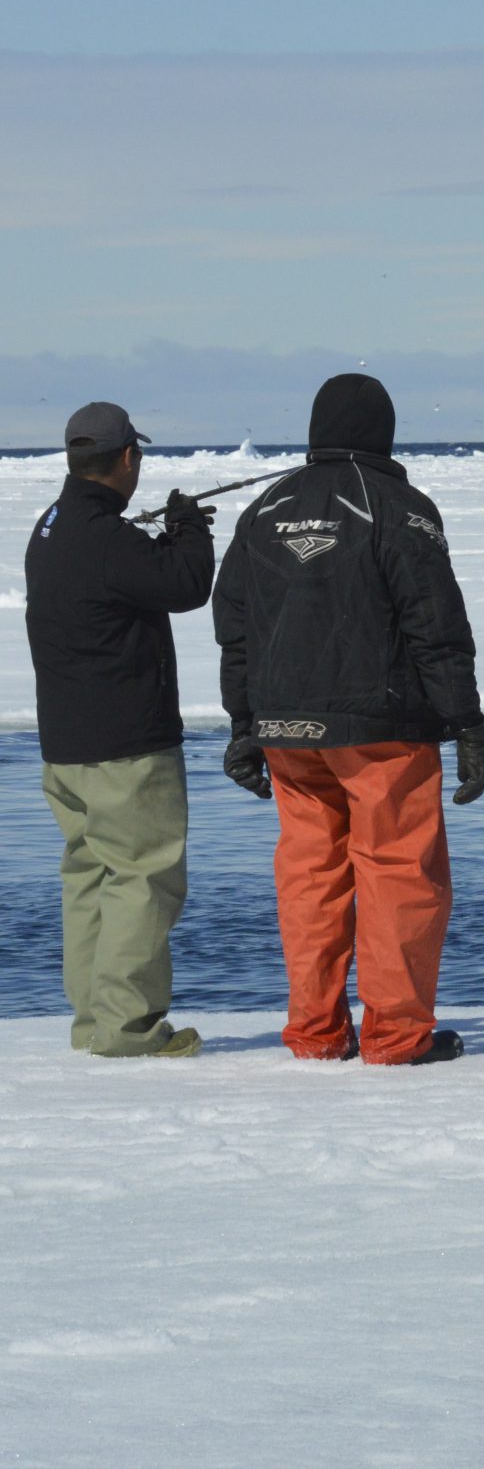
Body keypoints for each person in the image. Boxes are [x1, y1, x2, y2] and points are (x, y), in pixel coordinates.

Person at [211, 374, 484, 1066]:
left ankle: (317, 1034)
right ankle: (395, 1038)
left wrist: (245, 726)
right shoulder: (400, 507)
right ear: (382, 434)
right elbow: (436, 626)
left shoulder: (264, 509)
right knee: (399, 872)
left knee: (311, 875)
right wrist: (466, 724)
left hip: (287, 732)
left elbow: (234, 632)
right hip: (381, 731)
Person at [23, 403, 215, 1059]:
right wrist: (189, 529)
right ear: (128, 457)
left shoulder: (52, 526)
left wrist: (168, 534)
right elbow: (186, 585)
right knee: (142, 878)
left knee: (90, 877)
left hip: (67, 748)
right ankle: (130, 1030)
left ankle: (97, 1024)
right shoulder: (105, 538)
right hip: (126, 746)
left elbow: (130, 573)